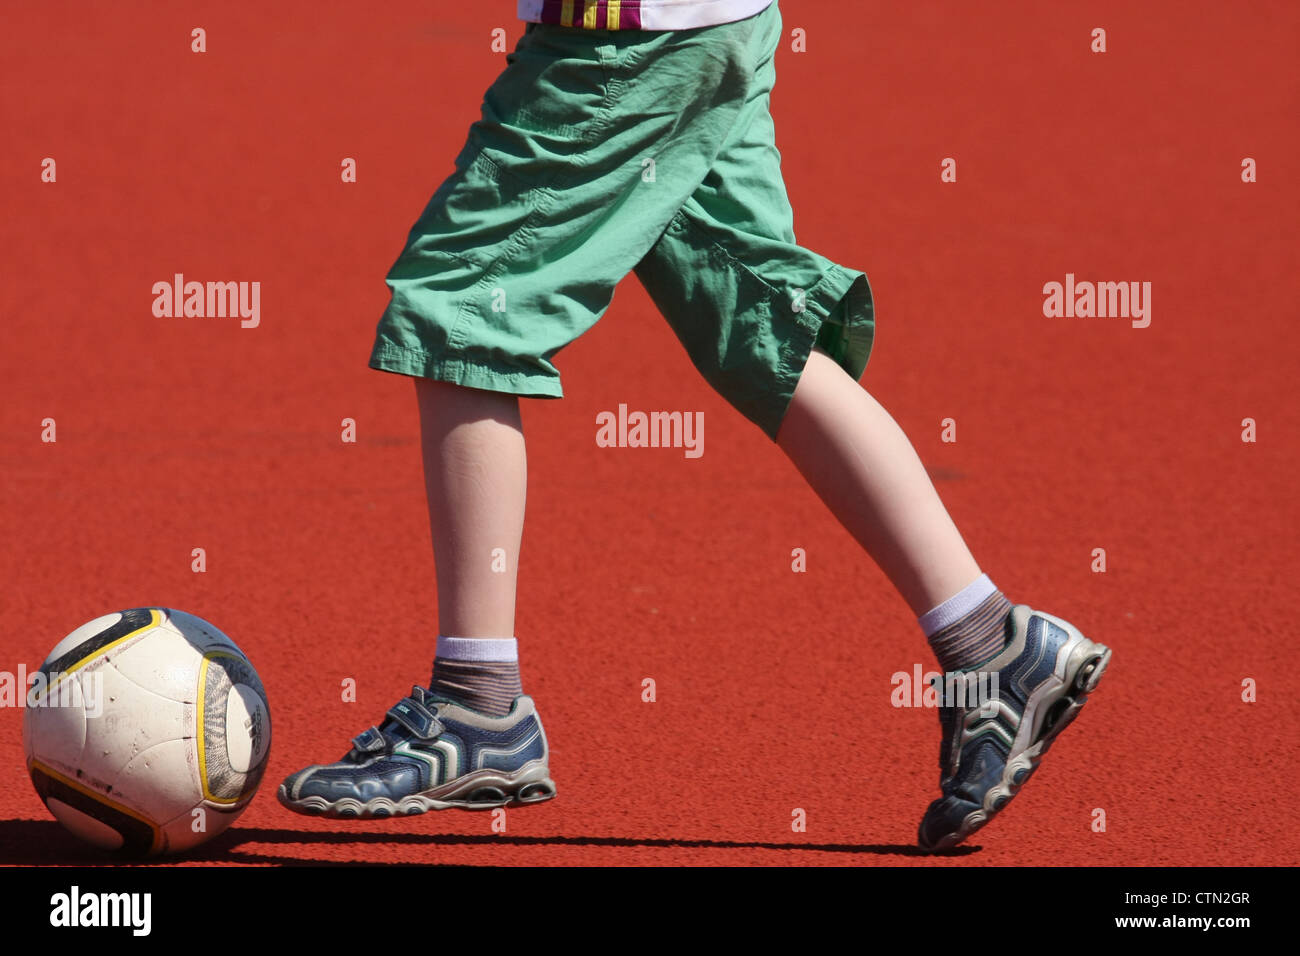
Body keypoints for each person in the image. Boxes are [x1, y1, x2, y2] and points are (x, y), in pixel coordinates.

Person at [277, 0, 1111, 851]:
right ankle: (991, 643)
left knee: (461, 305)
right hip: (711, 20)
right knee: (756, 328)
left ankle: (475, 701)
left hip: (626, 37)